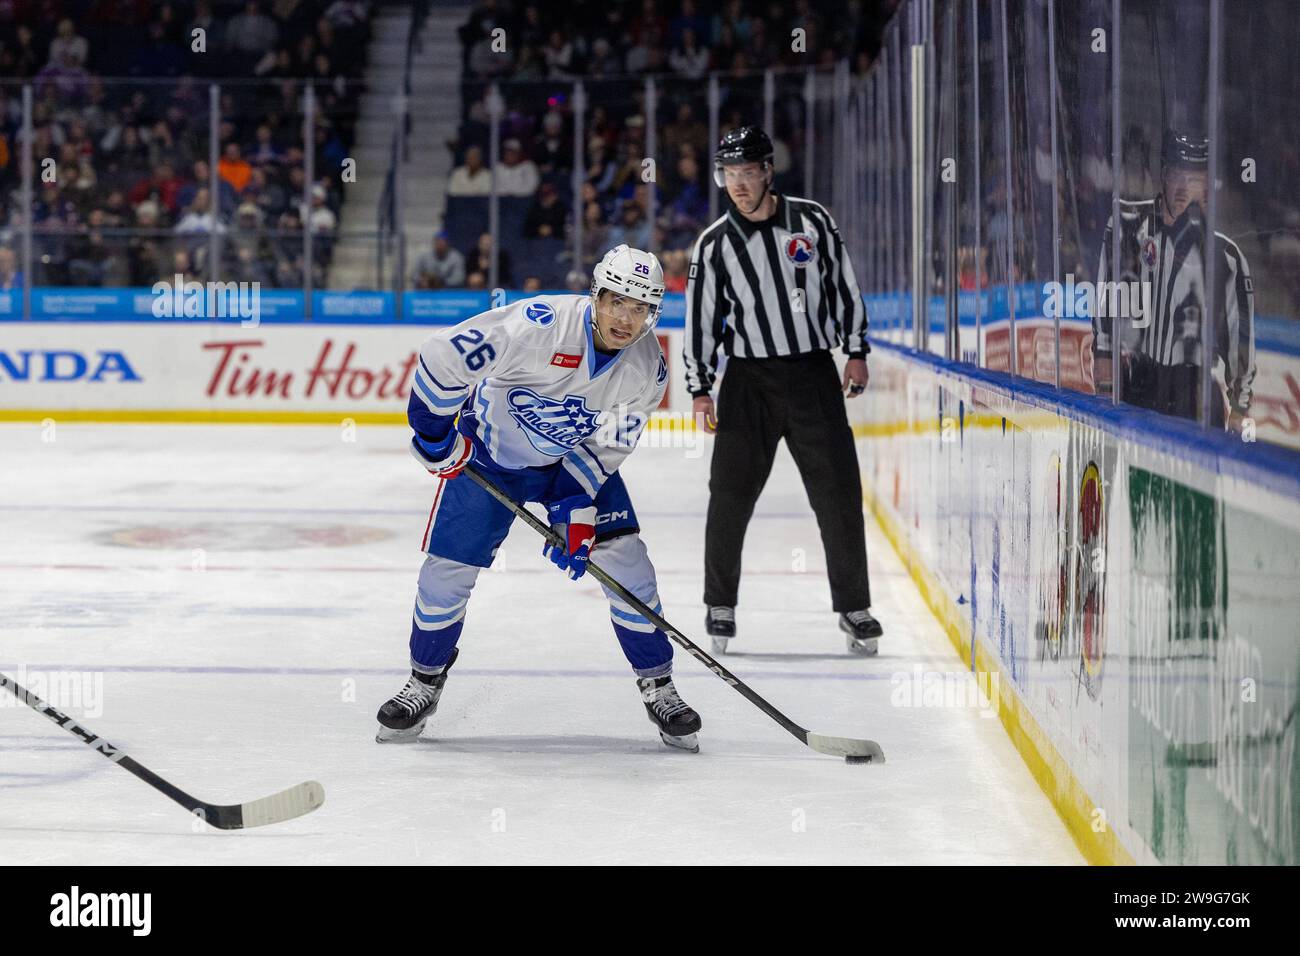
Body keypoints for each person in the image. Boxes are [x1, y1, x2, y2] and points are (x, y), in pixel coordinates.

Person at [376, 245, 703, 752]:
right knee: (447, 570)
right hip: (488, 457)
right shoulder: (540, 324)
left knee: (627, 563)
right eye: (617, 301)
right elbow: (444, 353)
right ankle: (424, 680)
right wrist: (435, 434)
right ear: (597, 294)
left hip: (568, 466)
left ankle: (658, 683)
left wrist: (577, 505)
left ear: (654, 312)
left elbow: (612, 441)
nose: (625, 318)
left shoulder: (648, 368)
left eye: (640, 308)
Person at [684, 125, 882, 656]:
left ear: (769, 171)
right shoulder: (715, 244)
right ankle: (719, 604)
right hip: (747, 383)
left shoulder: (812, 221)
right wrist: (700, 387)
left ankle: (854, 607)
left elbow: (844, 284)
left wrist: (856, 350)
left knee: (838, 493)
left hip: (813, 373)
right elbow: (702, 319)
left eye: (749, 173)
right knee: (729, 495)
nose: (740, 185)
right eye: (730, 174)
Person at [1093, 129, 1256, 428]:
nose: (1190, 197)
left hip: (1194, 394)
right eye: (1181, 182)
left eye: (1200, 187)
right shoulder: (1128, 228)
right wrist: (1105, 367)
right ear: (1164, 177)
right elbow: (1108, 312)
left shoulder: (1228, 260)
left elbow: (1239, 344)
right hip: (1140, 383)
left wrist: (1238, 408)